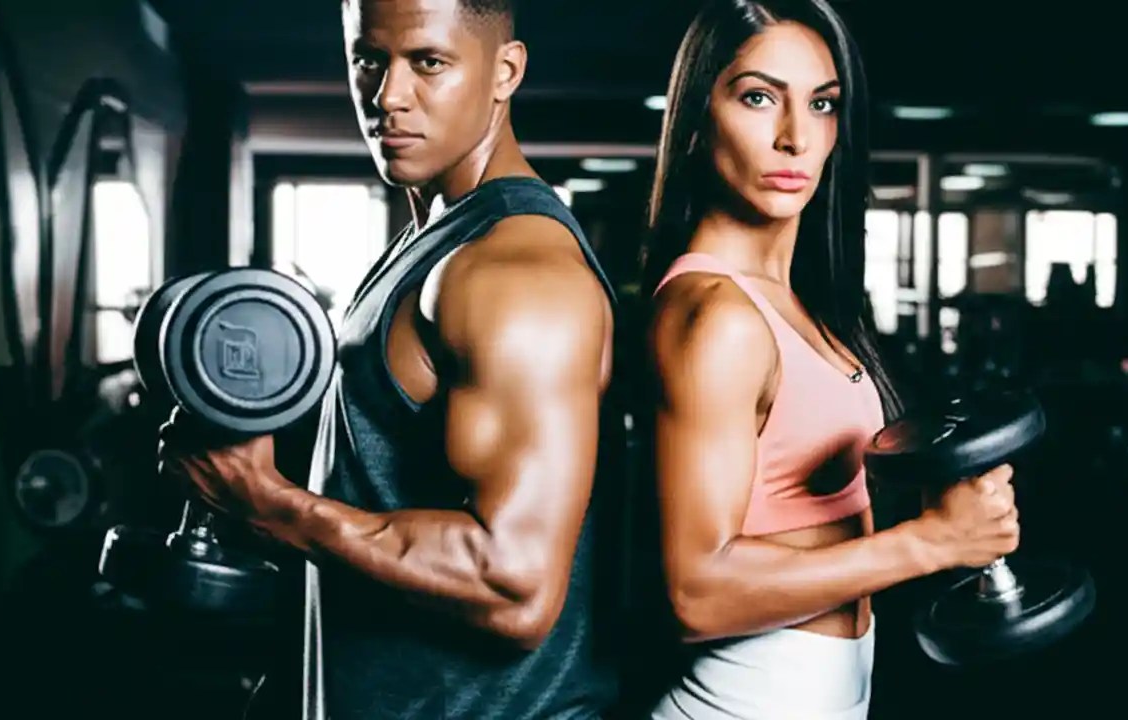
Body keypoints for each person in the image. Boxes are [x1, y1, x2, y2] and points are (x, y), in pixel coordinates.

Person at [158, 1, 622, 718]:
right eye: (368, 61)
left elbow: (513, 585)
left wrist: (271, 503)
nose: (387, 97)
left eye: (427, 62)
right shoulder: (428, 246)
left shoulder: (516, 275)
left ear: (505, 71)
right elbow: (379, 503)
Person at [640, 1, 1021, 718]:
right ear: (696, 120)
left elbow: (797, 515)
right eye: (758, 97)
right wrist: (932, 542)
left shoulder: (799, 305)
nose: (795, 137)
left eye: (822, 104)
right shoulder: (716, 316)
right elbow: (696, 592)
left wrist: (942, 511)